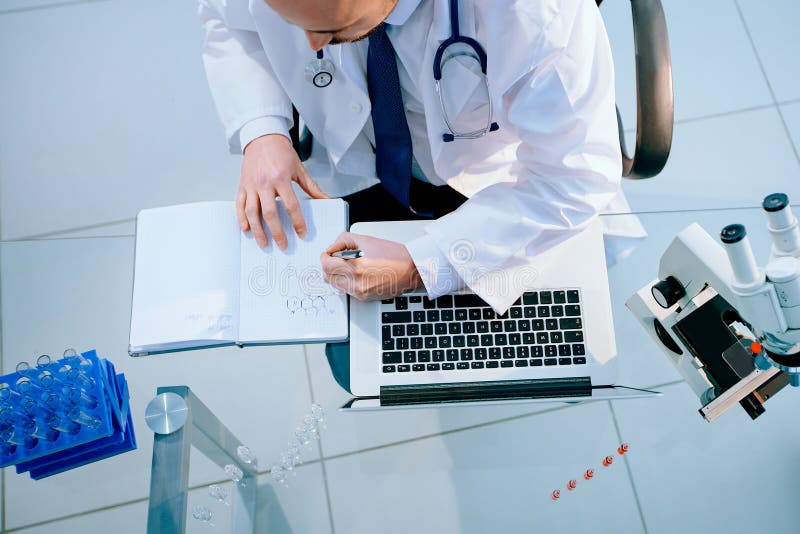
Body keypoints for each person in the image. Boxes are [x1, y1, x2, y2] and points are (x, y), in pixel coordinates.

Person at [198, 0, 646, 391]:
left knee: (522, 356)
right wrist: (263, 130)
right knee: (355, 361)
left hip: (498, 185)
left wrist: (421, 265)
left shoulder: (534, 11)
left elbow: (573, 178)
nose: (312, 46)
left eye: (332, 30)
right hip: (361, 159)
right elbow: (226, 17)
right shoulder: (313, 31)